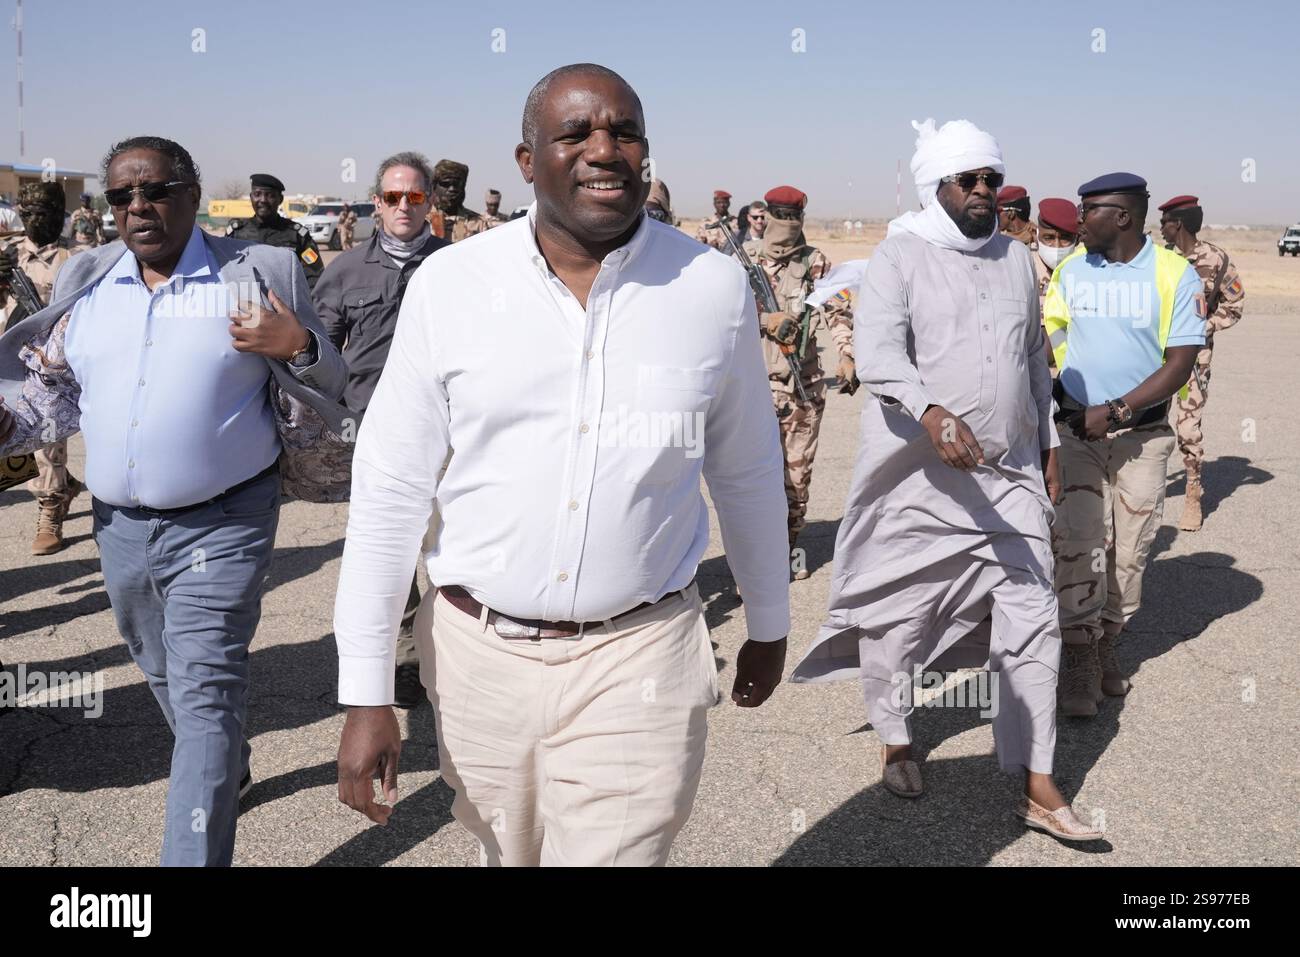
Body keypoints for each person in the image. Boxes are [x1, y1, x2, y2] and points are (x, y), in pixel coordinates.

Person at [333, 63, 790, 867]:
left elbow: (747, 466)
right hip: (478, 657)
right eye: (575, 133)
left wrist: (769, 618)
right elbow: (390, 488)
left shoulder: (711, 287)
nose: (603, 150)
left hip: (641, 652)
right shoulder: (452, 285)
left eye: (624, 131)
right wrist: (366, 689)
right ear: (525, 159)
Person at [0, 136, 350, 865]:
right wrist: (7, 422)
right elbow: (53, 396)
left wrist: (295, 344)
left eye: (156, 190)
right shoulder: (89, 281)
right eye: (122, 196)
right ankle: (225, 750)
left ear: (191, 193)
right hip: (118, 526)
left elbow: (331, 380)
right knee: (157, 662)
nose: (139, 207)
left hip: (224, 522)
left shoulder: (254, 274)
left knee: (205, 692)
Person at [791, 118, 1100, 842]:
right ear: (939, 185)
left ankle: (1038, 781)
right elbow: (876, 353)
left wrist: (1047, 440)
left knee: (1034, 619)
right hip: (916, 476)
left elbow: (1033, 357)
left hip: (1010, 472)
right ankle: (896, 736)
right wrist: (930, 411)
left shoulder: (1018, 261)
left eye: (993, 179)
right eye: (971, 180)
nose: (985, 191)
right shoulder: (900, 256)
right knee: (901, 617)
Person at [1045, 173, 1203, 715]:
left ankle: (1110, 643)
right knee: (1079, 542)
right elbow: (1051, 333)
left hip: (1142, 436)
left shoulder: (1174, 273)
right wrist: (1061, 386)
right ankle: (1079, 657)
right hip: (1076, 433)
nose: (1079, 218)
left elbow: (1180, 362)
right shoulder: (1070, 269)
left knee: (1131, 550)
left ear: (1123, 217)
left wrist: (1114, 411)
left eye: (1089, 210)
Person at [314, 151, 449, 707]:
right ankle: (405, 656)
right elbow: (317, 351)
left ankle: (451, 651)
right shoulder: (345, 270)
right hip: (371, 431)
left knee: (448, 544)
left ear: (429, 203)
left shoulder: (455, 266)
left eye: (415, 197)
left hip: (448, 431)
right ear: (376, 203)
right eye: (392, 197)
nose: (403, 206)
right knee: (388, 549)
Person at [744, 185, 855, 579]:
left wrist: (847, 353)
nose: (788, 225)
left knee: (795, 481)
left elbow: (837, 309)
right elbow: (717, 315)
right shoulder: (743, 261)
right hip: (751, 392)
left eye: (795, 218)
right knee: (753, 481)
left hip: (802, 389)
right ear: (766, 216)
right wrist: (763, 321)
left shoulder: (815, 263)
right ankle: (754, 564)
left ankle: (782, 556)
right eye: (780, 216)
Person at [0, 182, 83, 554]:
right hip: (6, 360)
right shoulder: (8, 254)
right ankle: (64, 484)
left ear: (59, 215)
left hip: (48, 367)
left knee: (47, 439)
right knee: (11, 438)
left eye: (46, 214)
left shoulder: (74, 259)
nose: (37, 221)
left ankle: (50, 510)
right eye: (29, 213)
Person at [1158, 194, 1245, 531]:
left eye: (1165, 222)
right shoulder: (1159, 258)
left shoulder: (1216, 259)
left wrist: (1202, 327)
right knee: (1147, 422)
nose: (1161, 228)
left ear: (1177, 223)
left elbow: (1235, 304)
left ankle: (1193, 491)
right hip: (1156, 356)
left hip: (1194, 358)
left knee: (1187, 427)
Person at [226, 173, 324, 291]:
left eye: (270, 195)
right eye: (257, 194)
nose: (263, 200)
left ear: (280, 199)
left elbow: (314, 275)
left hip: (286, 303)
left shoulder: (297, 235)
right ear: (251, 197)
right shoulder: (236, 233)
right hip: (245, 302)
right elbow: (224, 271)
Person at [426, 159, 489, 242]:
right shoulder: (420, 220)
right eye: (446, 184)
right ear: (434, 186)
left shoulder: (479, 223)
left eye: (456, 184)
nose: (452, 189)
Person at [1034, 197, 1079, 305]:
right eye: (1049, 238)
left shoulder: (1086, 273)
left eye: (1065, 238)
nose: (1057, 246)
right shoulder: (1026, 269)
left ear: (1077, 240)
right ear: (1037, 236)